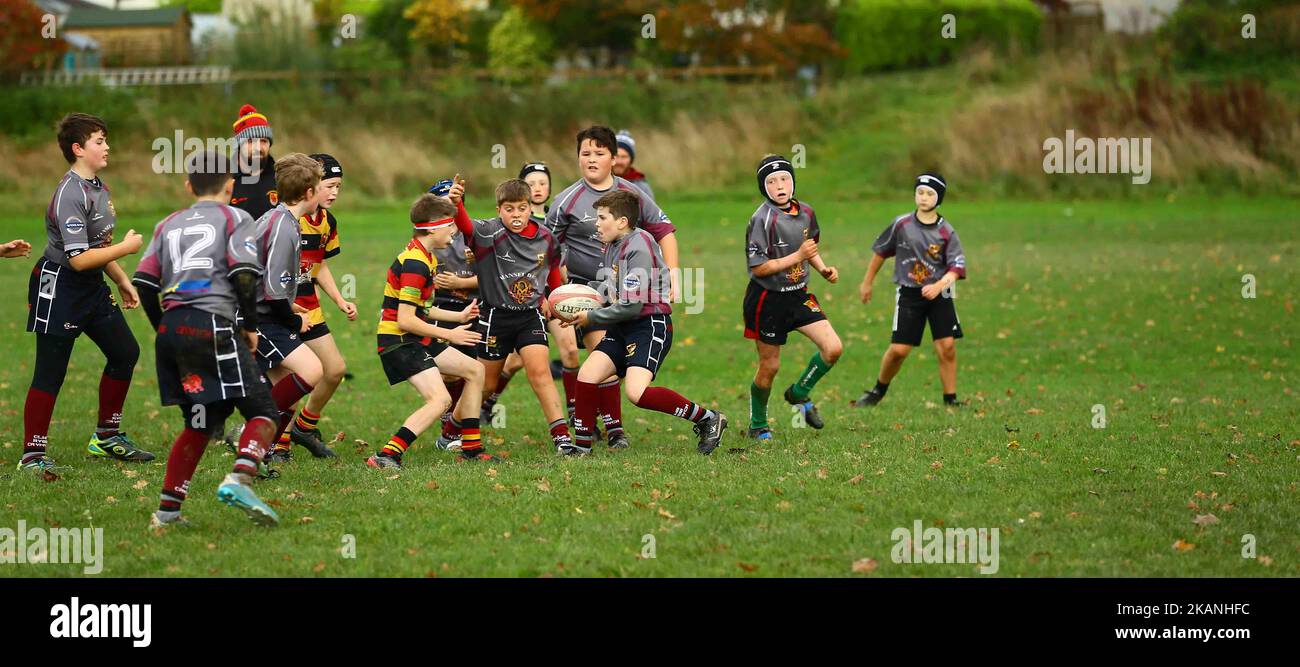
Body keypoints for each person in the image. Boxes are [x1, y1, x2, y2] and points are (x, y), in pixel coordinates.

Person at [133, 150, 281, 527]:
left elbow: (145, 283)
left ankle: (167, 513)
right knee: (264, 409)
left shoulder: (167, 223)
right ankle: (241, 477)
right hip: (213, 324)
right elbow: (245, 274)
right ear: (231, 185)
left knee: (200, 422)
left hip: (173, 327)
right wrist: (249, 327)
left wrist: (164, 327)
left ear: (188, 186)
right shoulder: (236, 217)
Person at [21, 112, 154, 476]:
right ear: (78, 149)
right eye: (99, 141)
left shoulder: (98, 187)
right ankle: (33, 454)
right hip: (59, 286)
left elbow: (98, 247)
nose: (107, 146)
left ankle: (107, 436)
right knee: (51, 372)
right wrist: (127, 250)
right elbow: (78, 259)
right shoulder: (70, 193)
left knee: (125, 352)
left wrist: (120, 279)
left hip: (92, 286)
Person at [565, 190, 727, 455]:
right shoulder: (613, 244)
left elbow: (632, 305)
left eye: (601, 217)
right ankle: (582, 448)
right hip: (623, 326)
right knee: (587, 376)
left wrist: (590, 316)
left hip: (648, 325)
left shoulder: (639, 246)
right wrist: (577, 301)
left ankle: (708, 418)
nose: (596, 223)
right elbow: (609, 285)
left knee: (637, 393)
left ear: (622, 221)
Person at [548, 126, 680, 449]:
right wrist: (556, 275)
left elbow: (664, 230)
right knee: (585, 353)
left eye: (599, 153)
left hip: (622, 292)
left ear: (613, 158)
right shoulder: (566, 199)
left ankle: (609, 427)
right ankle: (593, 424)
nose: (591, 160)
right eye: (585, 154)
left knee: (603, 357)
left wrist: (674, 273)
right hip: (580, 289)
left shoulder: (630, 195)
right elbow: (546, 246)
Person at [450, 177, 575, 452]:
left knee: (540, 373)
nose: (516, 214)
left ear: (531, 207)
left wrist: (557, 303)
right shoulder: (487, 233)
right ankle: (451, 429)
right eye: (509, 209)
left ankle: (562, 438)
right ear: (499, 210)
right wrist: (457, 203)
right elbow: (466, 225)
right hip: (495, 317)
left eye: (522, 208)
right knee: (486, 384)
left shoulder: (545, 238)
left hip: (530, 317)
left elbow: (553, 274)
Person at [368, 193, 490, 468]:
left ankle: (471, 448)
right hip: (399, 342)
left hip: (415, 338)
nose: (455, 231)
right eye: (451, 225)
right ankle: (387, 454)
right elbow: (405, 319)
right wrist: (450, 334)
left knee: (475, 370)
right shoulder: (416, 263)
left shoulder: (426, 257)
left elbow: (422, 309)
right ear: (434, 227)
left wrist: (458, 316)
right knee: (440, 400)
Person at [742, 155, 843, 441]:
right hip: (767, 300)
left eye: (784, 179)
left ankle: (799, 392)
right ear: (764, 188)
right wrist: (797, 256)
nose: (779, 185)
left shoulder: (807, 212)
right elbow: (759, 267)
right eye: (771, 182)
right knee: (770, 367)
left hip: (798, 295)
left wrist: (823, 269)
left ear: (793, 182)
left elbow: (809, 248)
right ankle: (758, 424)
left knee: (833, 348)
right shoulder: (761, 220)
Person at [854, 173, 967, 408]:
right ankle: (877, 390)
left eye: (930, 194)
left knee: (946, 346)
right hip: (909, 293)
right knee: (899, 350)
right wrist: (867, 282)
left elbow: (956, 266)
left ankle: (951, 399)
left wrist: (938, 286)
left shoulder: (946, 231)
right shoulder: (902, 224)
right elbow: (881, 252)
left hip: (941, 292)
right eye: (920, 192)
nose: (924, 198)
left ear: (939, 199)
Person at [266, 153, 351, 458]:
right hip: (281, 310)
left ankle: (304, 426)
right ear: (310, 188)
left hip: (306, 308)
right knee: (292, 378)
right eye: (329, 185)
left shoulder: (326, 220)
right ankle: (276, 443)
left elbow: (318, 266)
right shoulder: (286, 220)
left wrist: (340, 300)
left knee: (334, 369)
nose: (334, 193)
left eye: (339, 186)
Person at [229, 104, 278, 221]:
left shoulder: (282, 176)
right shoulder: (225, 179)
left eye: (263, 141)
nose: (258, 148)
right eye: (251, 141)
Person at [613, 129, 655, 199]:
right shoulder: (599, 182)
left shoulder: (642, 188)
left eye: (624, 157)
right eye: (616, 156)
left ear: (631, 160)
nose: (619, 161)